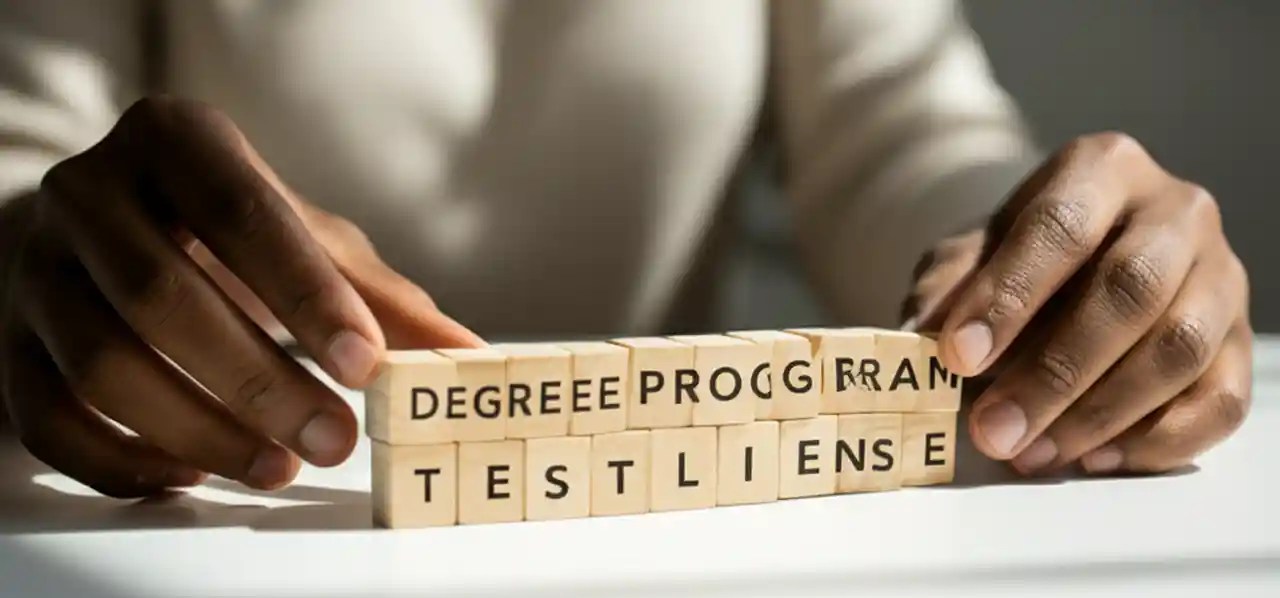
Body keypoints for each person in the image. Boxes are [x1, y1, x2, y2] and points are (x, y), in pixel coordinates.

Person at [0, 1, 1251, 497]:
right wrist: (30, 253)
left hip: (673, 574)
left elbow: (902, 134)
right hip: (240, 523)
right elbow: (31, 161)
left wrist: (1048, 256)